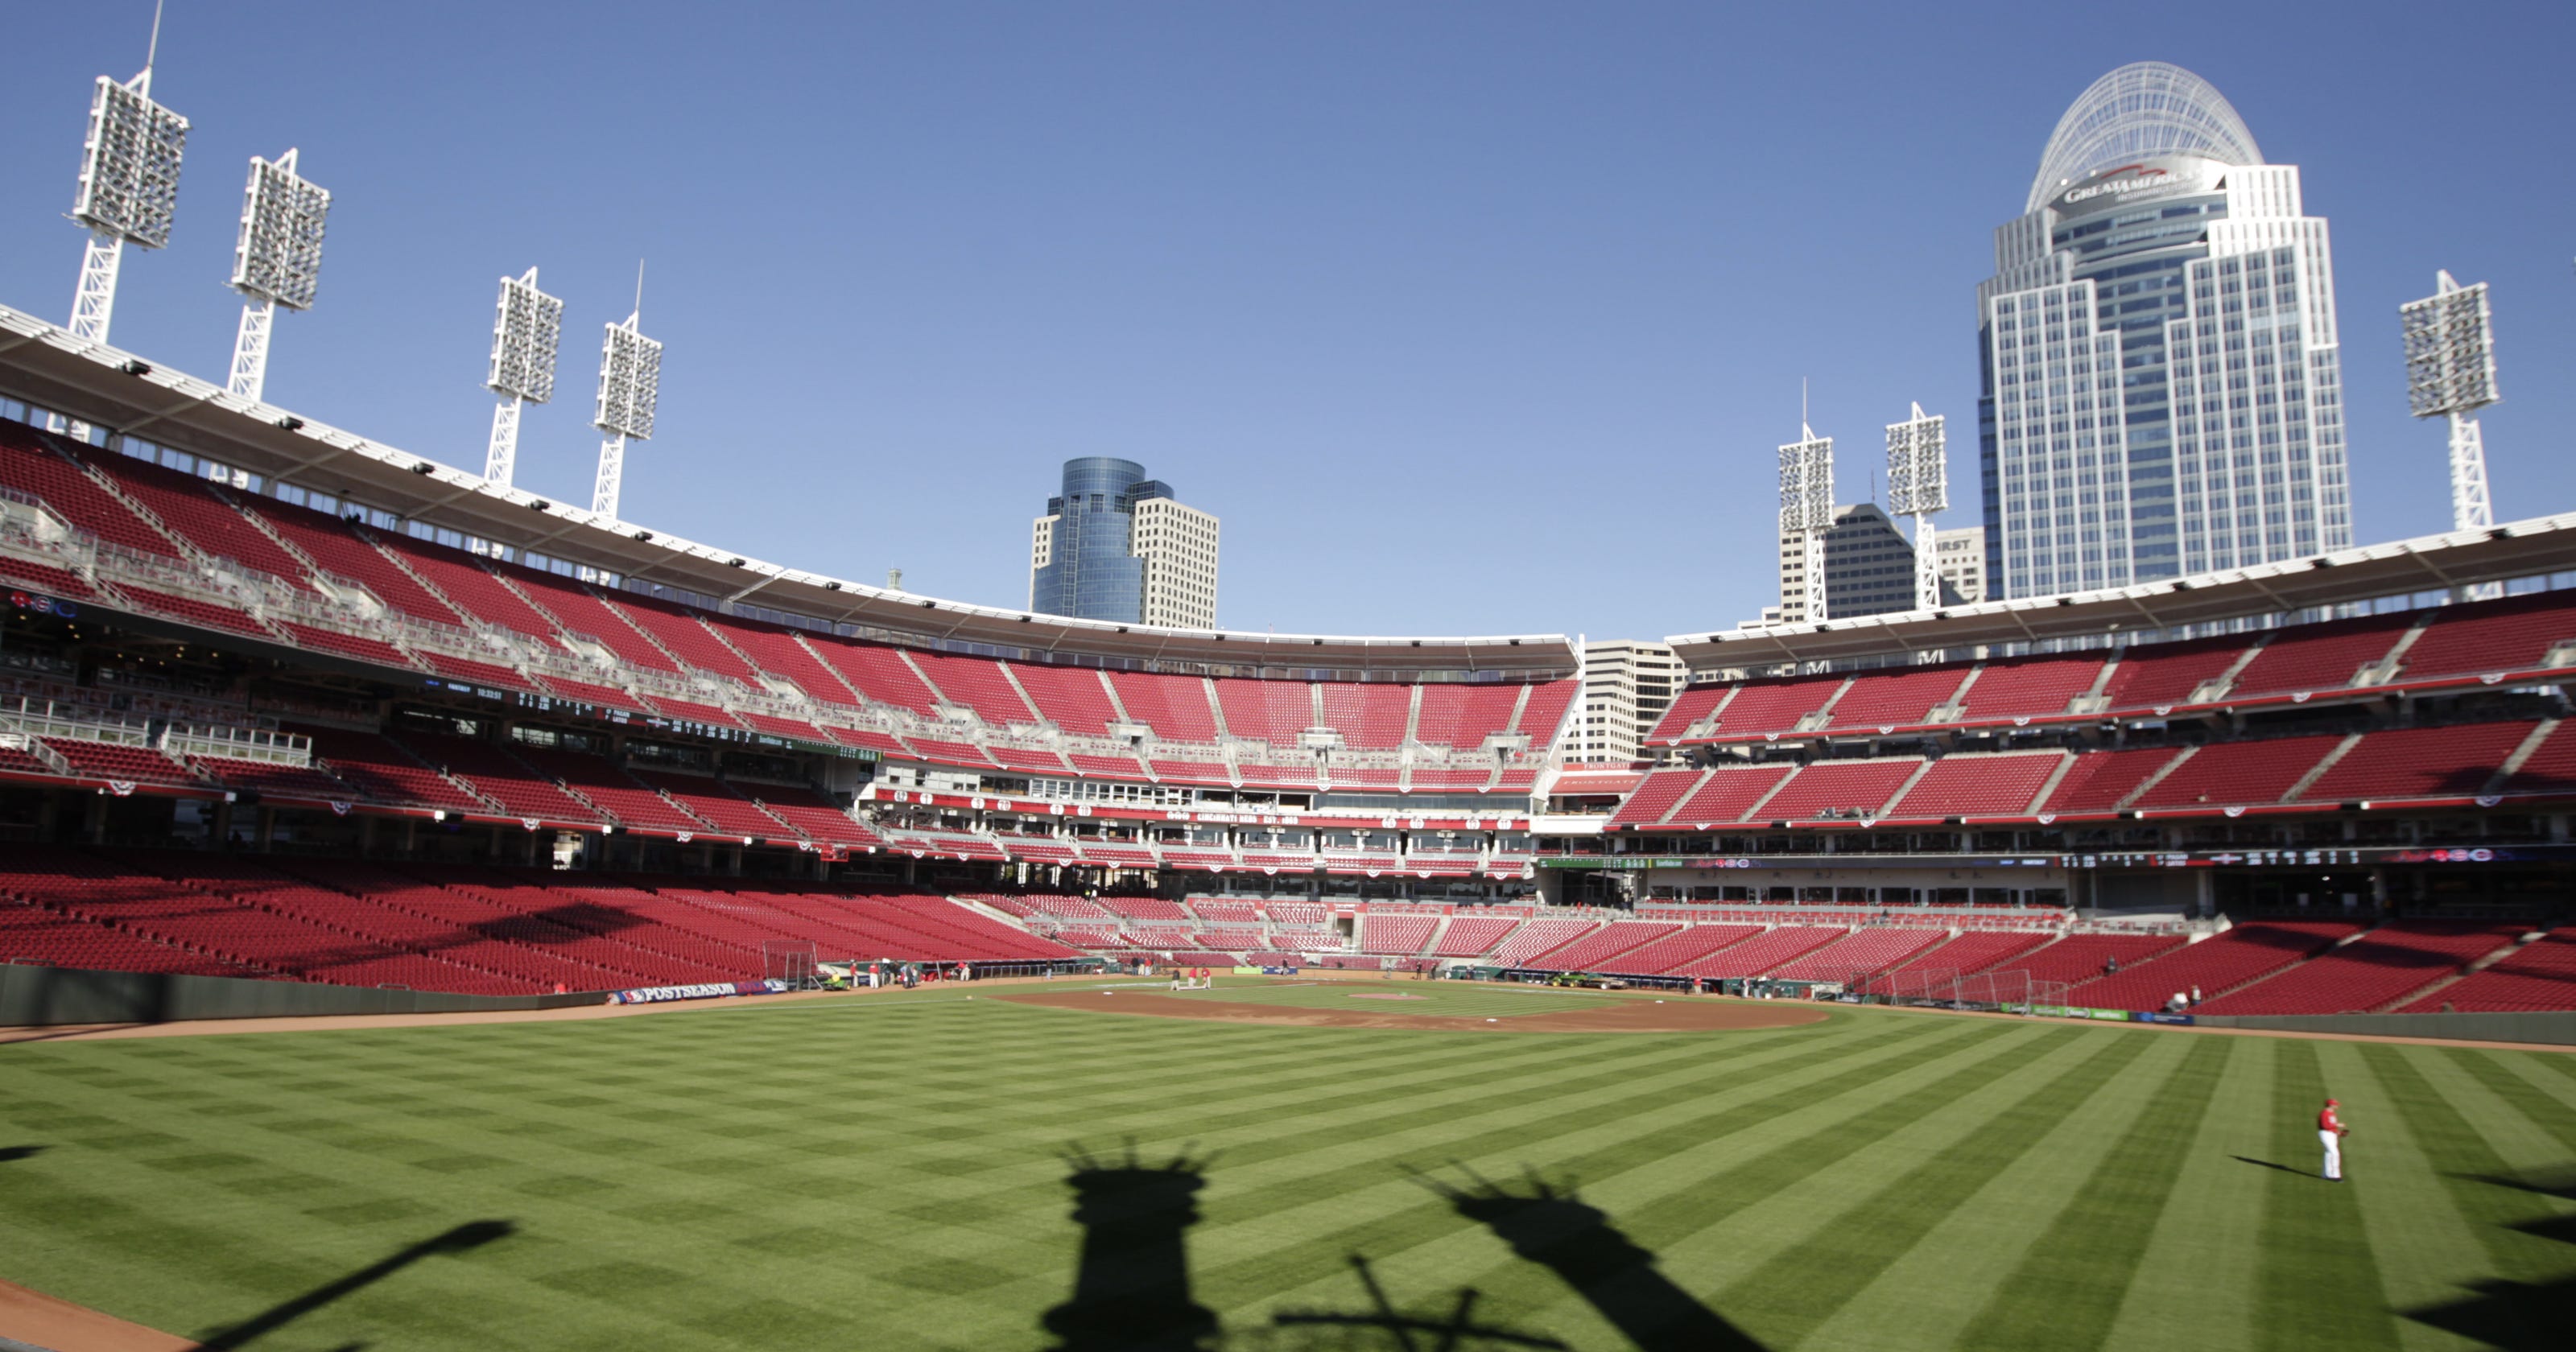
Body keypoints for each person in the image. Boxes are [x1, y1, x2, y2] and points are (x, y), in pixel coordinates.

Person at [2318, 1098, 2349, 1181]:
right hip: (2325, 1134)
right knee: (2334, 1153)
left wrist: (2339, 1133)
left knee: (2328, 1154)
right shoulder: (2324, 1113)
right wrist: (2337, 1124)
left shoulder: (2332, 1114)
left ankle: (2325, 1174)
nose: (2337, 1106)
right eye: (2335, 1104)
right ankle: (2335, 1176)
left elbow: (2332, 1127)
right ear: (2331, 1105)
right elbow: (2325, 1125)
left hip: (2332, 1135)